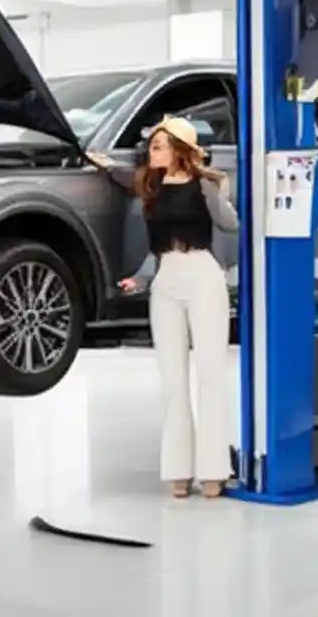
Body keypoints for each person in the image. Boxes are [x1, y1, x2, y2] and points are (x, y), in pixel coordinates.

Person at [88, 116, 239, 499]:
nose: (150, 153)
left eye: (157, 146)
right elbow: (154, 244)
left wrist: (217, 191)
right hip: (166, 281)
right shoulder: (151, 189)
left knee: (210, 376)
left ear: (178, 150)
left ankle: (213, 471)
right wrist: (140, 279)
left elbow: (230, 224)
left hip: (203, 276)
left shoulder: (205, 184)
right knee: (173, 382)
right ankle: (178, 470)